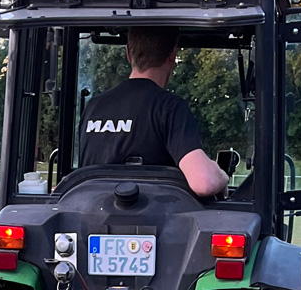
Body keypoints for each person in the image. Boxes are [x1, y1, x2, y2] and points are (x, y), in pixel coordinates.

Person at [79, 27, 229, 197]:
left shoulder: (94, 106)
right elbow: (204, 182)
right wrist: (221, 176)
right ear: (173, 54)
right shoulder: (169, 108)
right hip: (148, 221)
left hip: (90, 218)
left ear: (128, 53)